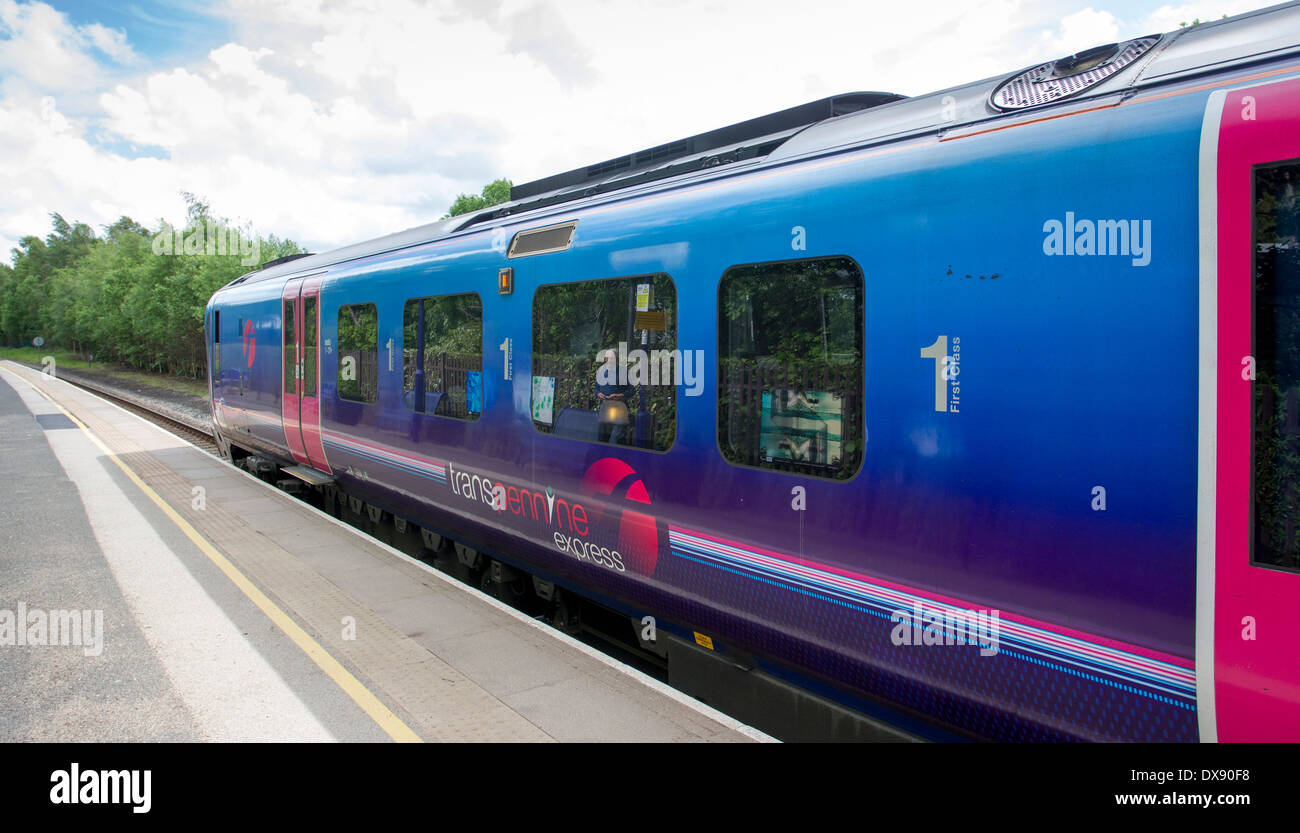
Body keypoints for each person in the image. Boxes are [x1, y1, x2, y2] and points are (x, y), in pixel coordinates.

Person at [594, 348, 633, 444]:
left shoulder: (623, 372)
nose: (608, 360)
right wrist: (598, 394)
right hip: (605, 408)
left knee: (619, 438)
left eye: (611, 358)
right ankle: (603, 457)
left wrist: (619, 395)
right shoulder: (601, 371)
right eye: (606, 358)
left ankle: (618, 457)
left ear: (617, 359)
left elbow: (632, 390)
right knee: (602, 438)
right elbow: (596, 388)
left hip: (620, 408)